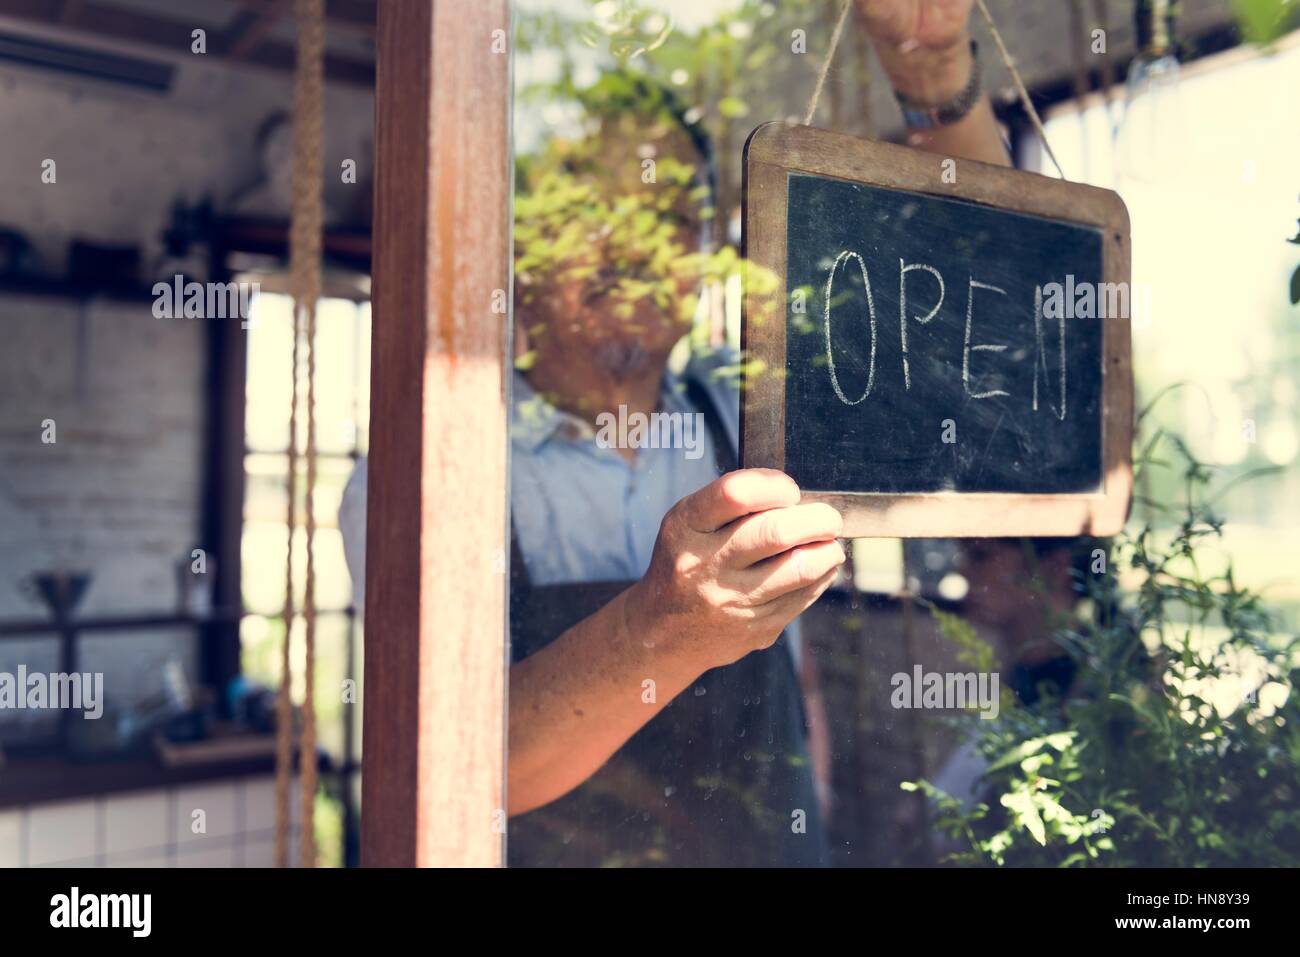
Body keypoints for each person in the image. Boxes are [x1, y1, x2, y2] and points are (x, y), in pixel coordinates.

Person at [341, 0, 1011, 866]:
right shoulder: (425, 473)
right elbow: (458, 766)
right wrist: (663, 627)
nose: (631, 237)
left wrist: (933, 71)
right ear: (522, 241)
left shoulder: (758, 415)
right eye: (590, 202)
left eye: (663, 203)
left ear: (700, 248)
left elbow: (985, 333)